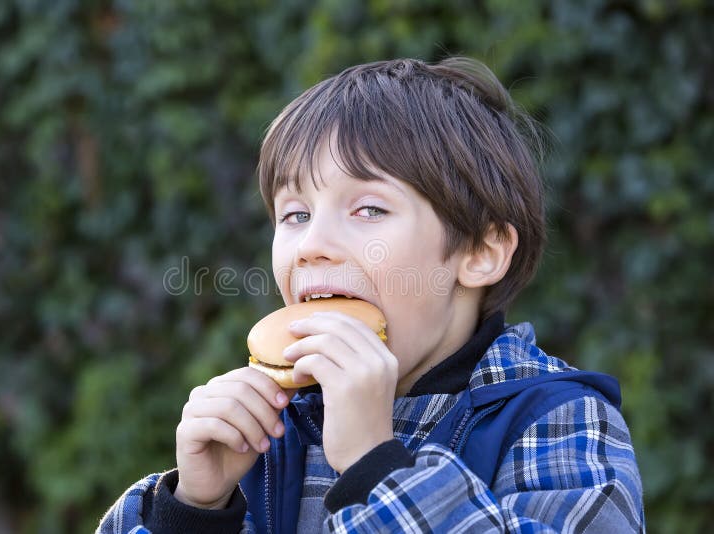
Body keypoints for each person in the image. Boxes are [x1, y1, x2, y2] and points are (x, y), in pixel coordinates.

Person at [97, 57, 644, 533]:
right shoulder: (266, 436)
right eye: (295, 215)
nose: (312, 245)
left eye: (369, 210)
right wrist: (193, 510)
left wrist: (373, 465)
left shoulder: (560, 420)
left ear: (480, 252)